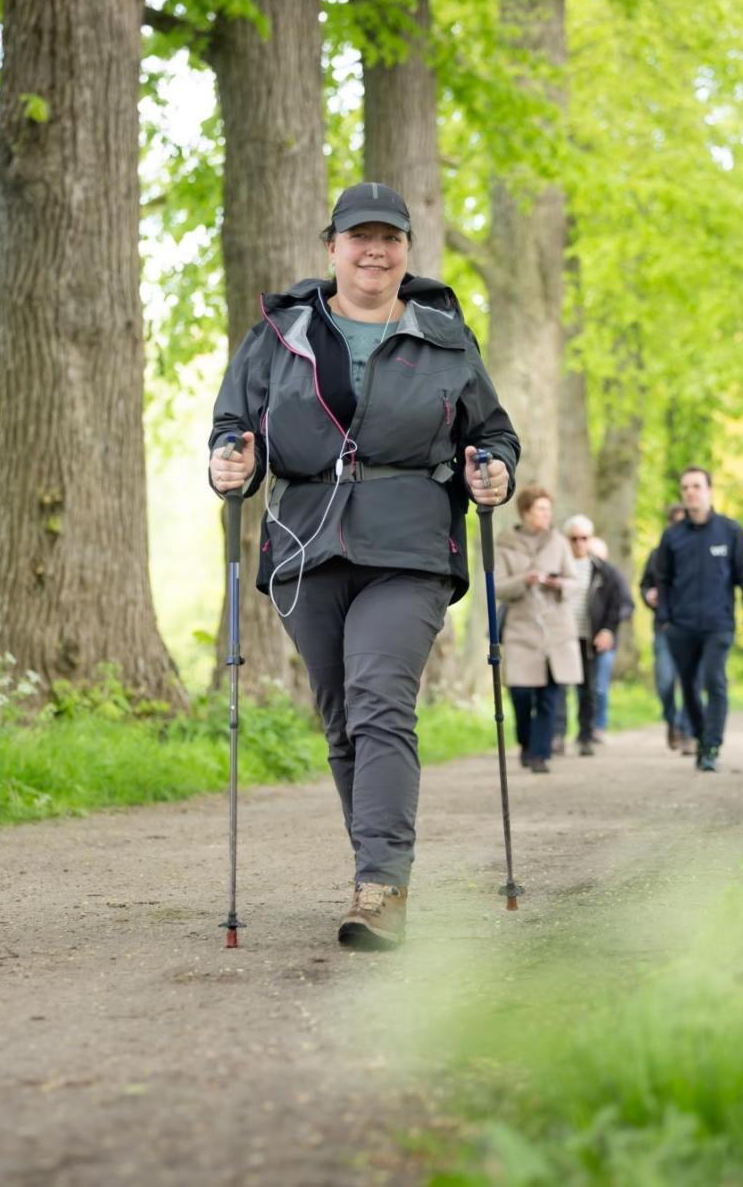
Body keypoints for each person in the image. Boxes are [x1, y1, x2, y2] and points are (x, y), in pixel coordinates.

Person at [208, 181, 518, 952]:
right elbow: (232, 428)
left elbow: (493, 433)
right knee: (343, 718)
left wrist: (495, 471)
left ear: (406, 251)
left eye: (389, 237)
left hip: (409, 544)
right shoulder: (280, 334)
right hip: (306, 544)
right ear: (333, 247)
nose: (373, 250)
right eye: (358, 237)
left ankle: (380, 888)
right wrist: (227, 463)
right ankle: (374, 869)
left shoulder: (445, 337)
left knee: (380, 697)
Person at [646, 467, 743, 772]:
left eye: (696, 486)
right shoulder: (672, 537)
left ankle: (711, 745)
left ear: (709, 490)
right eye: (685, 487)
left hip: (718, 624)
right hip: (681, 626)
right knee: (688, 686)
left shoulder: (730, 531)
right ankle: (699, 736)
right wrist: (666, 618)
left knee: (714, 679)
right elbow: (663, 581)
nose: (690, 492)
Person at [495, 487, 581, 774]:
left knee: (550, 693)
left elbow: (574, 581)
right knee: (520, 692)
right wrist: (525, 580)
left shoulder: (558, 542)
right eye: (540, 509)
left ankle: (540, 754)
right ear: (525, 513)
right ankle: (526, 742)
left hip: (556, 629)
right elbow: (497, 587)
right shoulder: (504, 544)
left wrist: (556, 584)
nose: (546, 515)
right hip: (521, 629)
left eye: (548, 509)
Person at [557, 516, 632, 755]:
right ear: (566, 540)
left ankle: (586, 736)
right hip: (561, 637)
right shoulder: (556, 566)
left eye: (584, 538)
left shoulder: (604, 570)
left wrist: (608, 630)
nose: (579, 543)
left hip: (589, 637)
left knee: (588, 689)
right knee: (557, 688)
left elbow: (618, 603)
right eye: (574, 538)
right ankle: (557, 735)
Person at [639, 503, 695, 754]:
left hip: (692, 627)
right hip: (664, 626)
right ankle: (672, 720)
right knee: (664, 681)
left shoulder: (697, 554)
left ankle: (685, 730)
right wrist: (648, 595)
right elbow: (644, 585)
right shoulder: (656, 554)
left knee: (690, 682)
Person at [585, 536, 633, 739]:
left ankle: (598, 726)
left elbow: (627, 605)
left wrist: (608, 629)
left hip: (605, 642)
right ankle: (584, 728)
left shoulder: (614, 576)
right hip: (583, 639)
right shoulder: (580, 574)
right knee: (585, 687)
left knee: (600, 686)